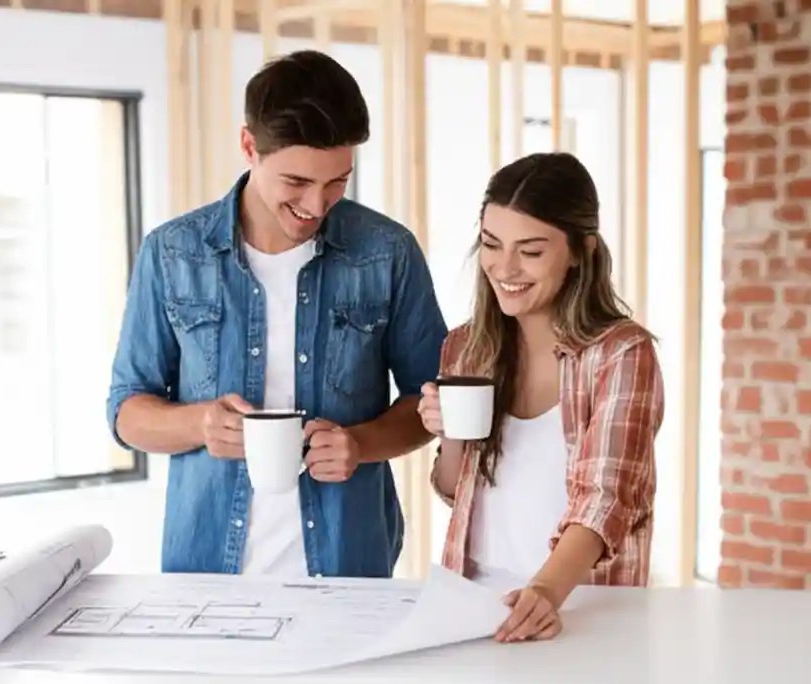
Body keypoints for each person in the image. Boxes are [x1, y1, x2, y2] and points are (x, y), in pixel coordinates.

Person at [107, 50, 446, 579]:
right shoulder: (172, 253)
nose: (317, 203)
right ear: (250, 146)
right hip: (207, 576)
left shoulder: (387, 251)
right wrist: (198, 423)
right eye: (296, 182)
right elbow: (126, 412)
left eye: (338, 181)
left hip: (349, 570)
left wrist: (361, 444)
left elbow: (430, 401)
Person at [417, 152, 664, 642]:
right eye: (491, 244)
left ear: (579, 251)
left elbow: (606, 498)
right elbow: (454, 489)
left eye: (530, 251)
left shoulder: (620, 354)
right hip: (471, 605)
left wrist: (544, 593)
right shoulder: (466, 347)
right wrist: (449, 435)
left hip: (577, 606)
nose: (504, 267)